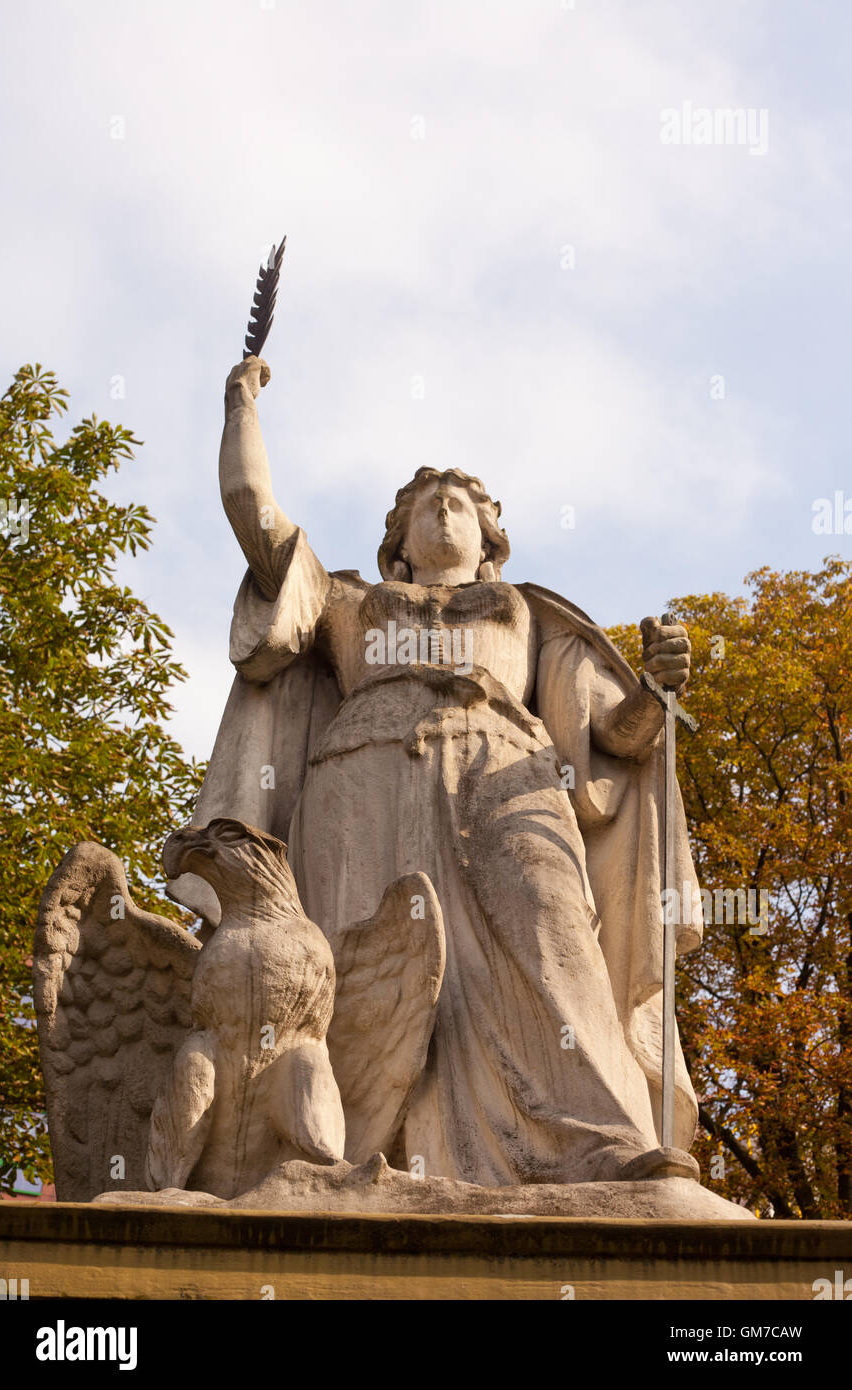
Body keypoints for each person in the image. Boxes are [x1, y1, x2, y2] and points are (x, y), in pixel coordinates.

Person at [168, 355, 704, 1188]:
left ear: (490, 538)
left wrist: (655, 692)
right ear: (398, 541)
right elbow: (255, 515)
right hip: (361, 781)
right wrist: (241, 408)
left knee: (553, 934)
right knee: (350, 966)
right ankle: (336, 1155)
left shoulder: (529, 614)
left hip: (508, 775)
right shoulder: (345, 602)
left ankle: (606, 1142)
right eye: (429, 501)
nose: (446, 508)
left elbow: (615, 741)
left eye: (462, 501)